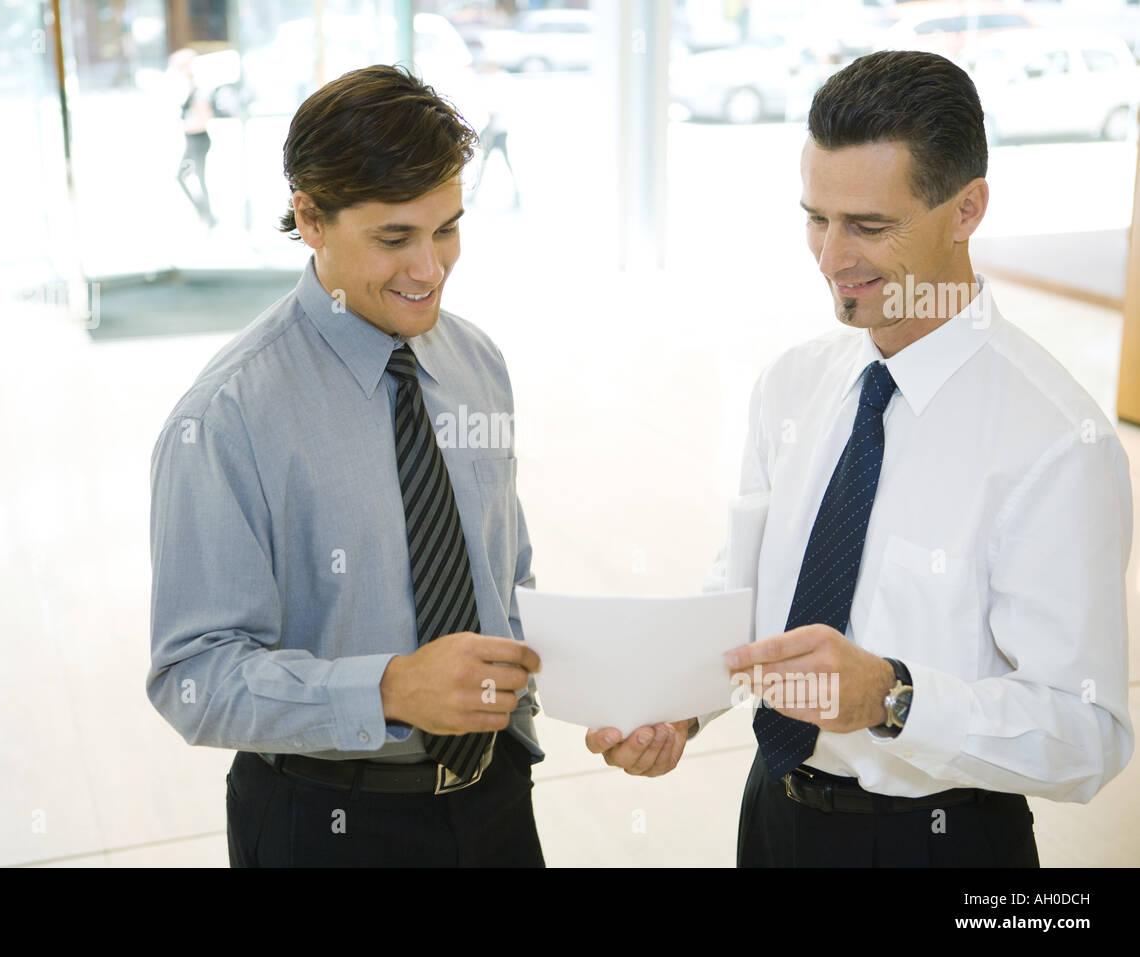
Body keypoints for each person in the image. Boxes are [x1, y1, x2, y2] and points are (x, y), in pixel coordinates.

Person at [586, 49, 1133, 866]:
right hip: (772, 815)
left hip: (936, 841)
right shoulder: (792, 385)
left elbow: (1088, 735)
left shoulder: (1055, 442)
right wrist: (683, 703)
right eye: (817, 217)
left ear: (967, 209)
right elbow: (744, 594)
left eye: (870, 227)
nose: (830, 256)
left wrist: (893, 697)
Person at [146, 64, 545, 867]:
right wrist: (389, 688)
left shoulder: (475, 362)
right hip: (326, 825)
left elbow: (508, 582)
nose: (429, 269)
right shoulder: (227, 417)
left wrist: (614, 691)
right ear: (311, 218)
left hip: (495, 802)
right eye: (394, 238)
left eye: (448, 229)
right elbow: (191, 676)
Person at [169, 48, 217, 229]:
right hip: (193, 140)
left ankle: (207, 214)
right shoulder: (187, 90)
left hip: (198, 140)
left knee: (188, 177)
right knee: (193, 178)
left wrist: (186, 124)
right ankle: (207, 214)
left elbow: (205, 118)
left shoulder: (198, 92)